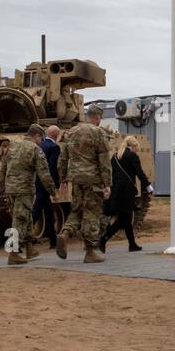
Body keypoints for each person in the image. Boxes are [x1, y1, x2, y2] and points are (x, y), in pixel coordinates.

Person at [57, 103, 114, 263]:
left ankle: (65, 233)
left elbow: (62, 159)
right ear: (97, 117)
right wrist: (107, 184)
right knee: (91, 213)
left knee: (76, 210)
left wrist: (63, 179)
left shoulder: (71, 132)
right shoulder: (98, 133)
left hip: (75, 179)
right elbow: (104, 161)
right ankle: (90, 252)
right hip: (93, 180)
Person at [1, 124, 57, 264]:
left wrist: (5, 187)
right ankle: (13, 253)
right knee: (20, 220)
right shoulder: (35, 149)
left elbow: (3, 169)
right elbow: (44, 174)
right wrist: (52, 191)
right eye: (41, 138)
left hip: (11, 189)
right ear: (37, 136)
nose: (41, 141)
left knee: (27, 219)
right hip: (24, 190)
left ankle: (30, 248)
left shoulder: (11, 146)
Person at [100, 136, 148, 253]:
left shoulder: (115, 156)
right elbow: (139, 173)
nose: (137, 150)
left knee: (126, 219)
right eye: (137, 147)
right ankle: (104, 238)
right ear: (133, 146)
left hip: (117, 191)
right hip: (127, 192)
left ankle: (132, 244)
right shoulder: (132, 156)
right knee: (123, 220)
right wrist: (148, 186)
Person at [31, 124, 62, 247]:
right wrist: (55, 186)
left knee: (49, 211)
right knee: (36, 211)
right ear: (57, 135)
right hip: (45, 183)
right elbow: (53, 168)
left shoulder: (39, 146)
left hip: (37, 181)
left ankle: (53, 241)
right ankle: (20, 238)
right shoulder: (54, 147)